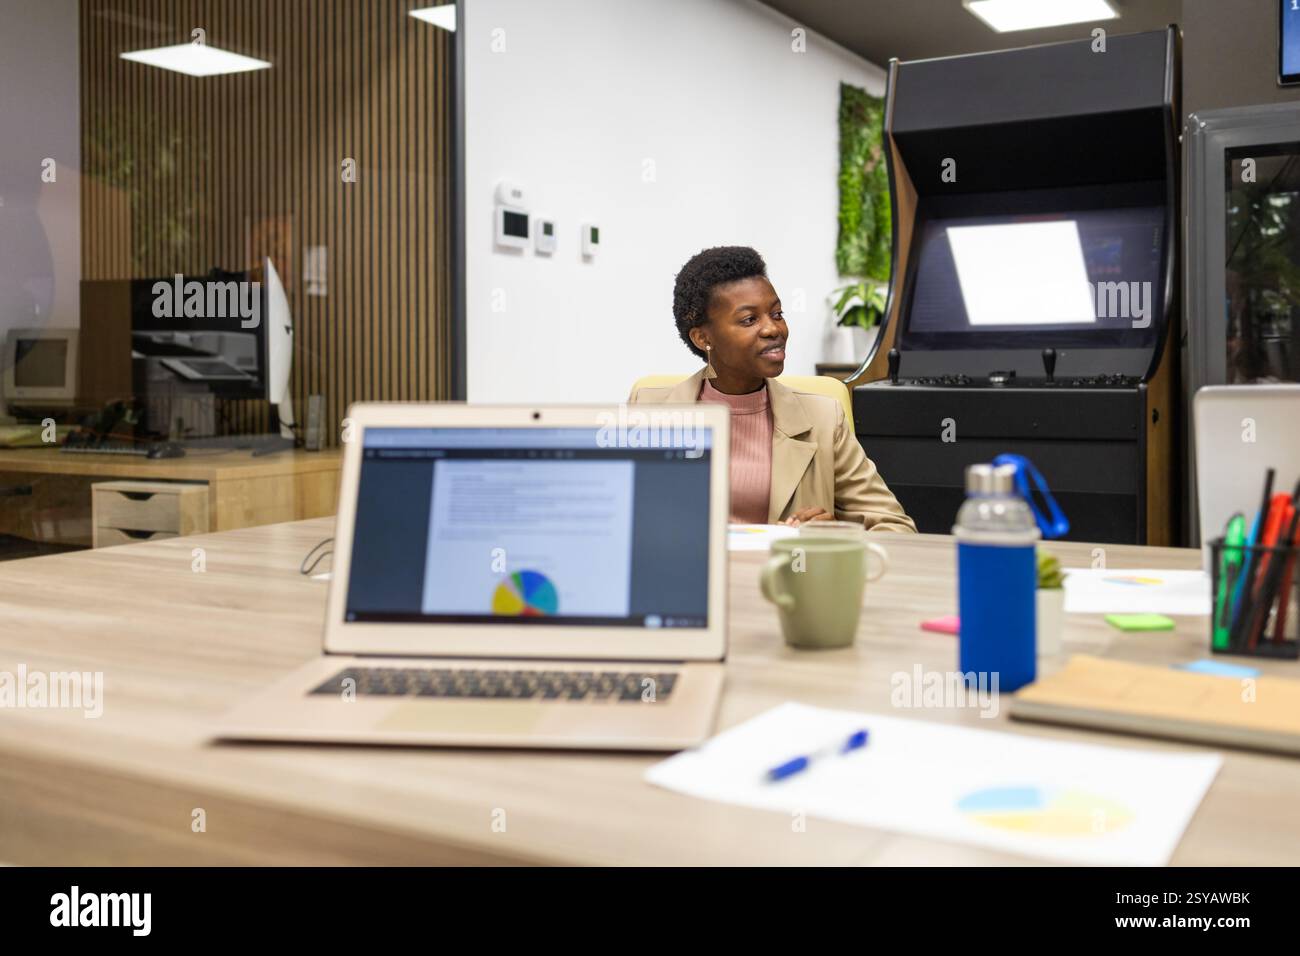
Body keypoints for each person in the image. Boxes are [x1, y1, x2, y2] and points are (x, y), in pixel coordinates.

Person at [629, 246, 915, 531]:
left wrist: (834, 540)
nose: (773, 329)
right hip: (686, 575)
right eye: (749, 320)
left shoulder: (823, 418)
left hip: (788, 573)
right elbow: (620, 519)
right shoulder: (648, 412)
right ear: (702, 338)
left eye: (777, 314)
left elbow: (896, 527)